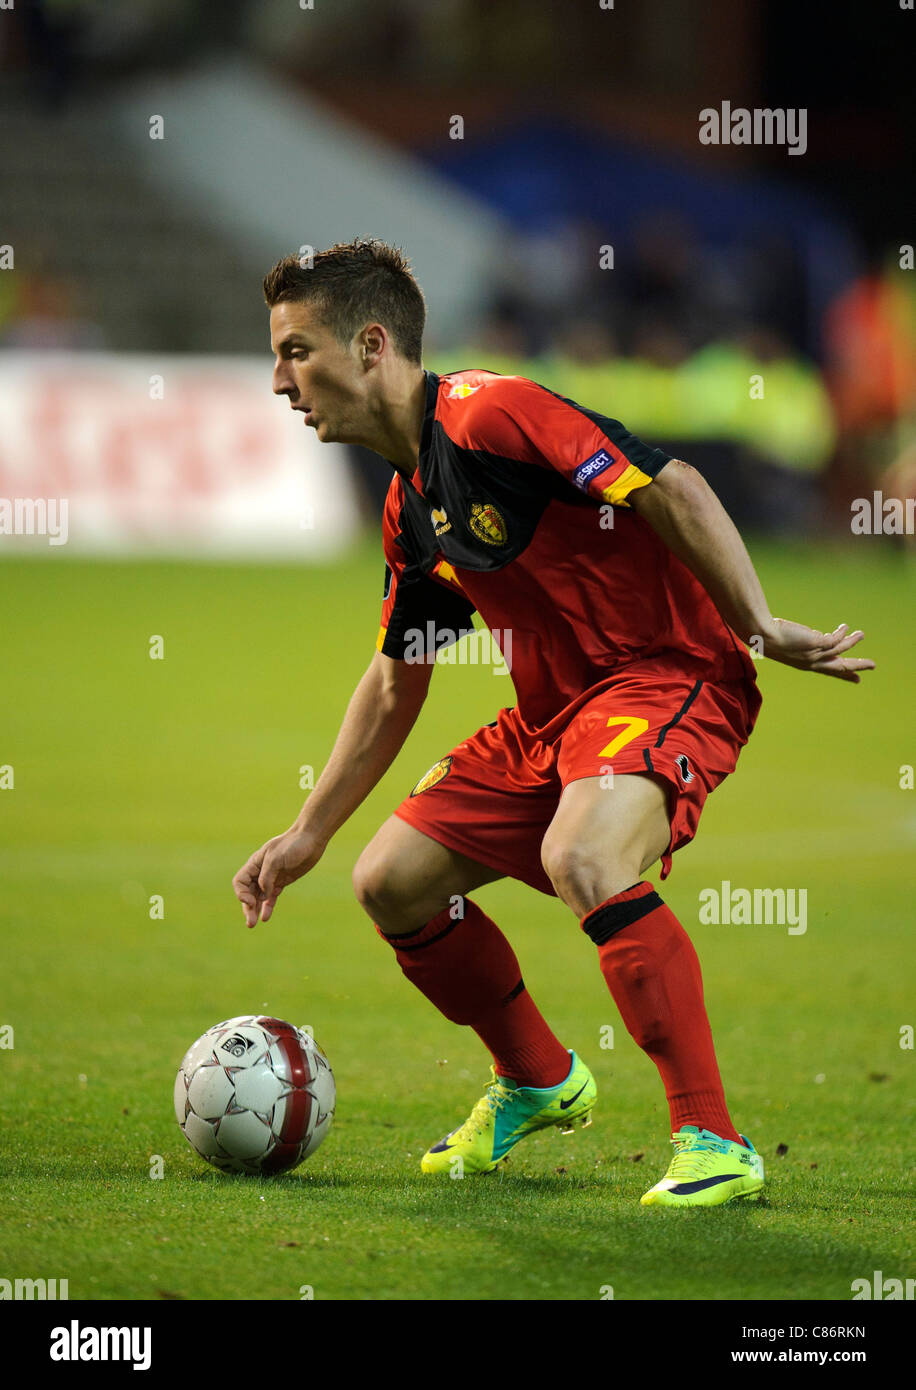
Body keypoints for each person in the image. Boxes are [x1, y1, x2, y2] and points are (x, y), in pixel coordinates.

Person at [233, 240, 874, 1207]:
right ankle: (537, 1078)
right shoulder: (412, 504)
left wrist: (756, 623)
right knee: (391, 883)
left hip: (670, 677)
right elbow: (396, 678)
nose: (281, 380)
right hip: (553, 717)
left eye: (295, 352)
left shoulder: (494, 414)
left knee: (585, 857)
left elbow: (674, 484)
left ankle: (713, 1140)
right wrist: (308, 833)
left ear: (371, 345)